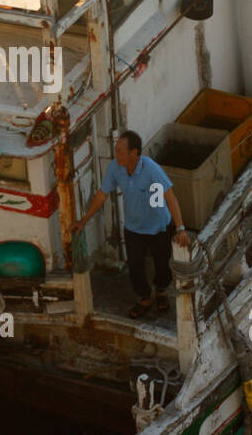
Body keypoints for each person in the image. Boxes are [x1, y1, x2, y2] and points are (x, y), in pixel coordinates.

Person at [72, 130, 191, 319]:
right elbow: (102, 195)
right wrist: (84, 221)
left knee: (162, 264)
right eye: (116, 150)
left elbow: (171, 198)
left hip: (159, 226)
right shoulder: (115, 168)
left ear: (133, 153)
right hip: (134, 228)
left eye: (120, 151)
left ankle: (160, 292)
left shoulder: (151, 169)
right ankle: (145, 298)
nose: (115, 154)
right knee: (135, 266)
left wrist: (180, 229)